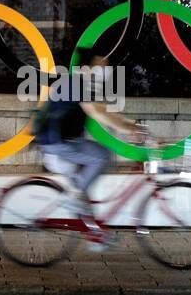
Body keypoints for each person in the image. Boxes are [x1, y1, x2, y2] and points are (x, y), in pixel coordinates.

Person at [32, 48, 144, 232]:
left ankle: (94, 232)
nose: (105, 72)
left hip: (65, 142)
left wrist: (132, 124)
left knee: (86, 183)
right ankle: (74, 199)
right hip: (58, 144)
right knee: (101, 157)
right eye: (101, 67)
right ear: (87, 68)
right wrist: (129, 128)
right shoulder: (75, 83)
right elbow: (94, 111)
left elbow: (104, 111)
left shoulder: (83, 84)